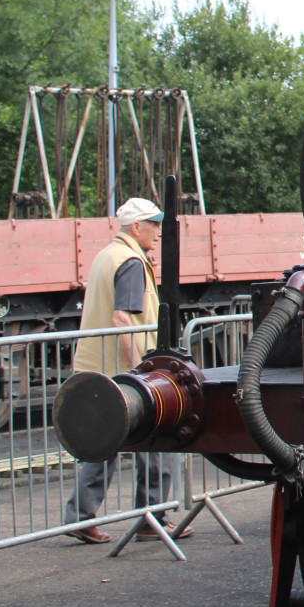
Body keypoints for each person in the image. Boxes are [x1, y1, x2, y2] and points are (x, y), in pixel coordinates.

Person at [62, 197, 192, 543]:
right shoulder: (132, 261)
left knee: (106, 441)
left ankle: (80, 516)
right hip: (122, 370)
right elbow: (123, 319)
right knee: (154, 435)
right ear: (137, 227)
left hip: (97, 366)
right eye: (153, 224)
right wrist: (140, 372)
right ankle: (151, 516)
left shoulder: (108, 255)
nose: (158, 232)